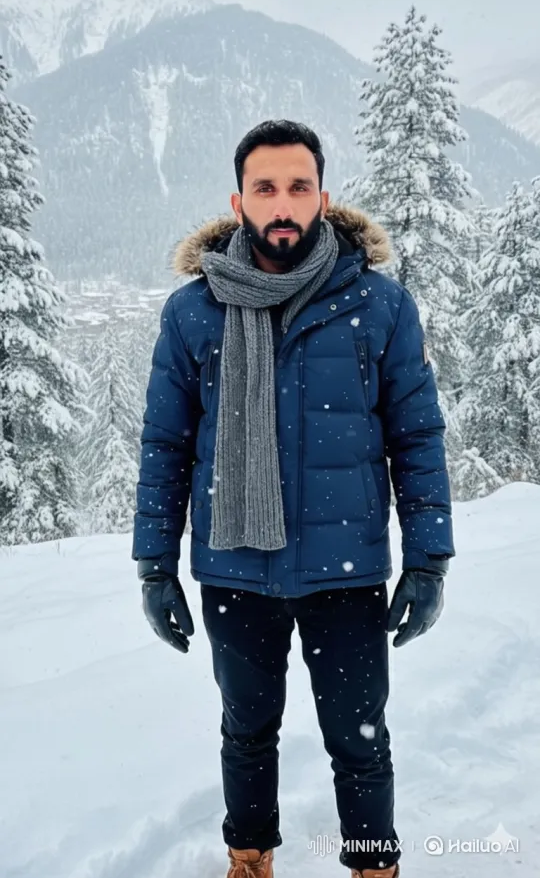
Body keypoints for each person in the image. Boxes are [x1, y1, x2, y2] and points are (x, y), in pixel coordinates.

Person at [131, 119, 454, 878]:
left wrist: (429, 560)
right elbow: (165, 446)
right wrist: (153, 566)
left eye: (298, 186)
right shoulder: (192, 312)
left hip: (345, 573)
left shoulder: (378, 305)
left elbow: (417, 437)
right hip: (235, 569)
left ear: (323, 197)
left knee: (360, 736)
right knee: (246, 730)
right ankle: (251, 862)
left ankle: (374, 866)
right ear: (238, 200)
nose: (283, 203)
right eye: (266, 187)